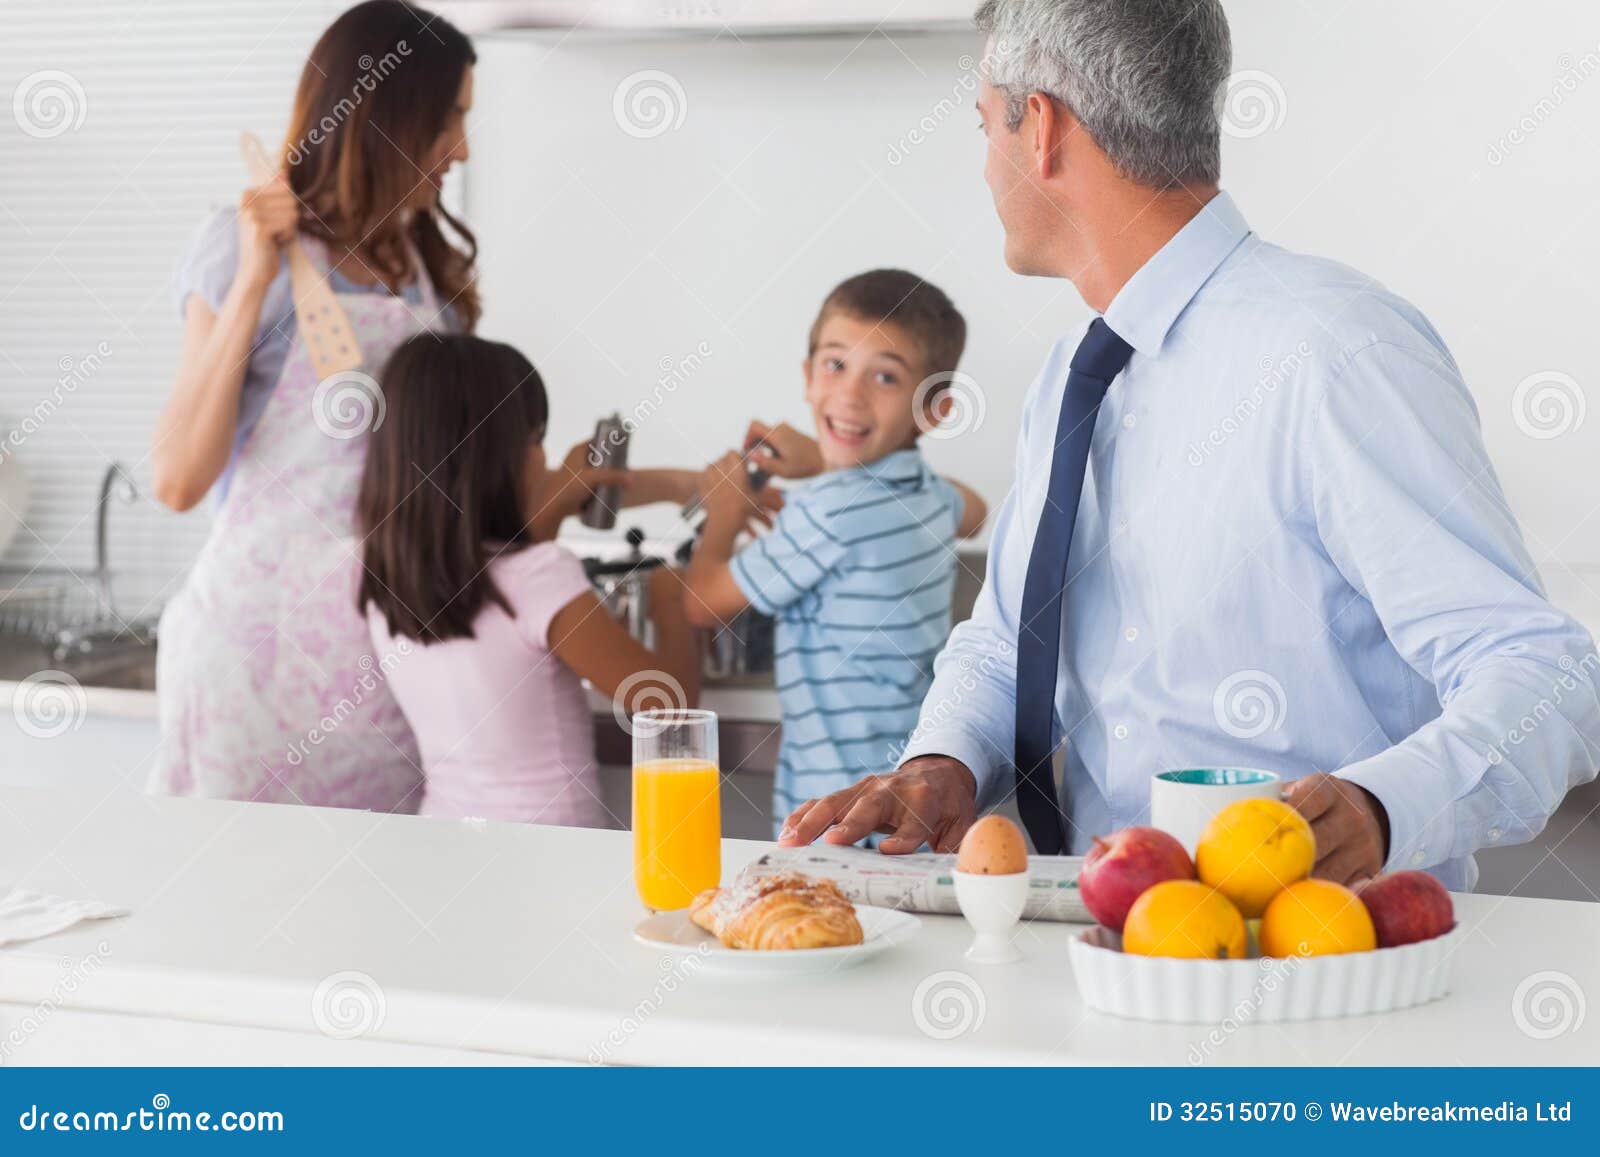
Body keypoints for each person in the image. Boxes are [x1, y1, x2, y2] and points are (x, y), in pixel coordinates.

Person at [779, 0, 1600, 891]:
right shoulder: (1072, 373)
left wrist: (1379, 806)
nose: (984, 168)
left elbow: (1547, 674)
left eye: (986, 126)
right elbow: (1008, 639)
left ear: (1041, 130)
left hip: (1325, 971)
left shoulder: (1336, 351)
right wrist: (942, 763)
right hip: (1102, 951)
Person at [150, 2, 479, 809]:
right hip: (252, 671)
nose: (463, 149)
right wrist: (260, 278)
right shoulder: (244, 247)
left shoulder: (424, 269)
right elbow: (179, 479)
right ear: (388, 114)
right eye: (450, 121)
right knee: (248, 916)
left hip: (384, 665)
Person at [682, 269, 988, 834]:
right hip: (911, 804)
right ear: (807, 374)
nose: (850, 393)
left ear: (933, 410)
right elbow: (977, 509)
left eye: (886, 377)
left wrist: (722, 516)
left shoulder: (828, 509)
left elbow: (701, 603)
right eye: (836, 364)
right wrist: (828, 463)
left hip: (836, 812)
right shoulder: (928, 494)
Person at [358, 334, 705, 826]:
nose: (544, 458)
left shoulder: (385, 580)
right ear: (492, 457)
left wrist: (555, 509)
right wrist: (676, 602)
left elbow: (494, 600)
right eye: (536, 439)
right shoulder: (539, 577)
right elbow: (670, 710)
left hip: (444, 838)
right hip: (553, 853)